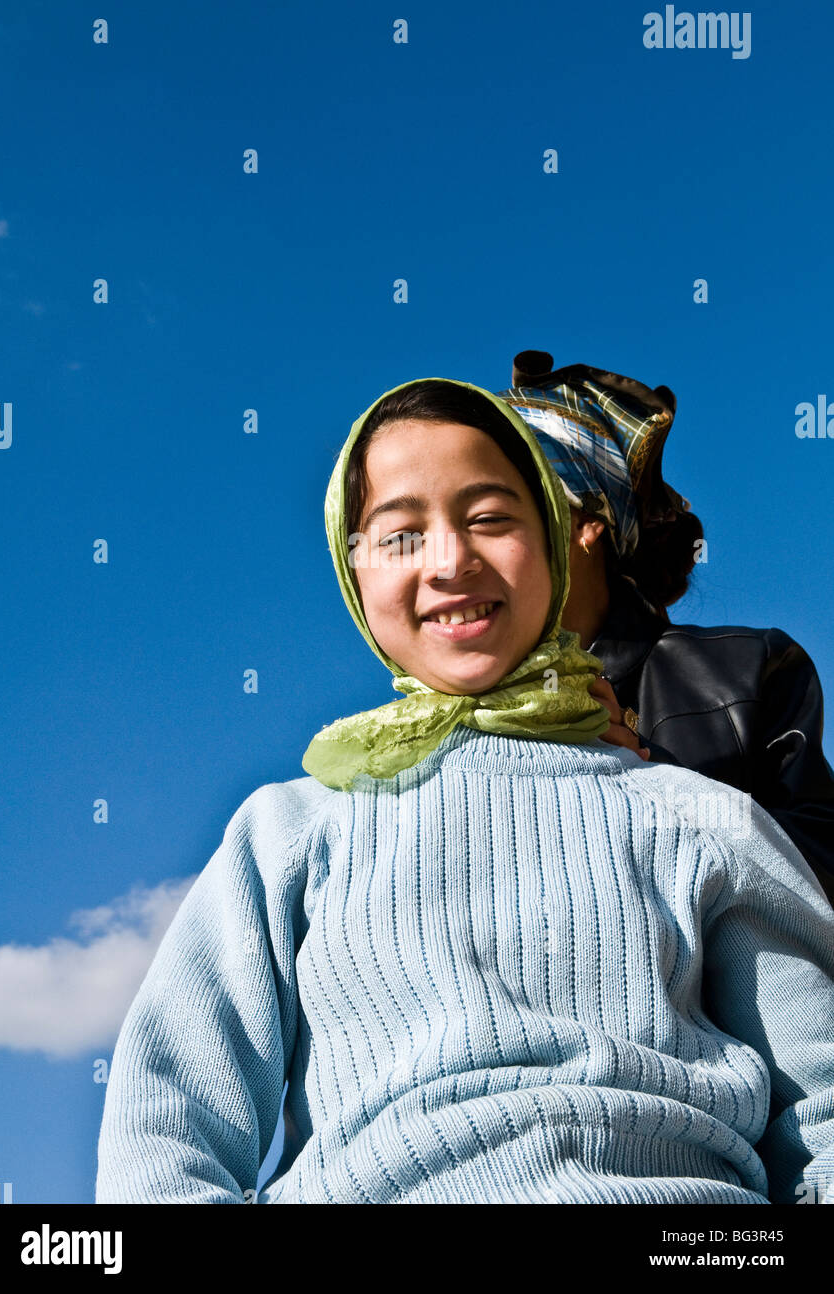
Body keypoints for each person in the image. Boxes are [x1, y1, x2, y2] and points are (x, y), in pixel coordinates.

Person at [96, 377, 834, 1205]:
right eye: (400, 533)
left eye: (490, 518)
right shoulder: (292, 829)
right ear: (354, 571)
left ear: (560, 540)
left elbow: (821, 1106)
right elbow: (165, 1132)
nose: (449, 559)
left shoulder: (705, 816)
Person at [502, 350, 834, 905]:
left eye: (498, 506)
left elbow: (821, 869)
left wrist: (647, 776)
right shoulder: (459, 706)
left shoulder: (753, 670)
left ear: (588, 522)